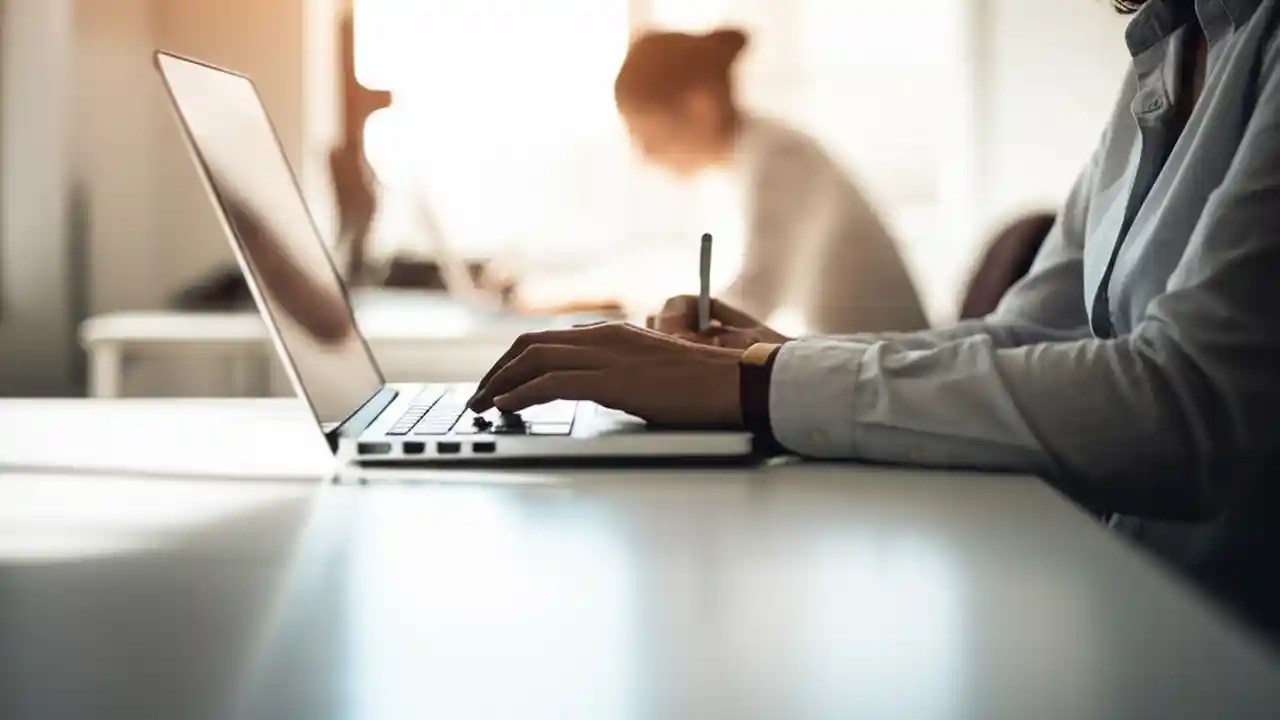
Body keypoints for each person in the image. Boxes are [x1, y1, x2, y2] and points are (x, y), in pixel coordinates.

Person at [469, 0, 1280, 639]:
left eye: (649, 138)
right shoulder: (1163, 53)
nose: (645, 158)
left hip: (1224, 634)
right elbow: (1027, 334)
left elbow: (1191, 402)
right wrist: (774, 358)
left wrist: (761, 379)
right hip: (1121, 593)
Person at [492, 28, 928, 334]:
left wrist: (651, 334)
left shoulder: (779, 159)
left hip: (874, 373)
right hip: (846, 364)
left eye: (648, 135)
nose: (645, 155)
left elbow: (753, 298)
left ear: (699, 107)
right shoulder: (750, 159)